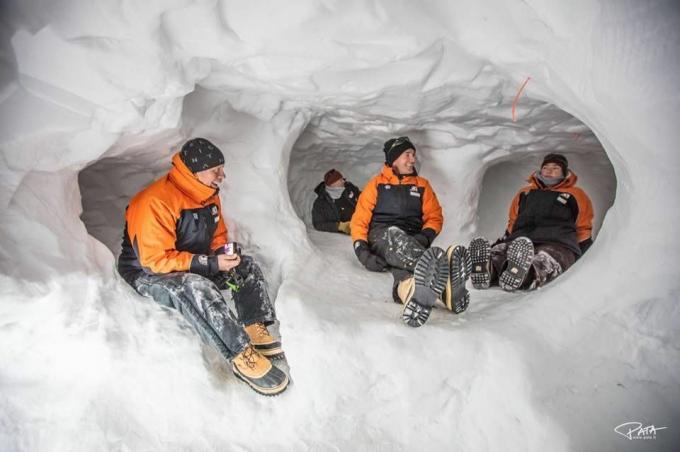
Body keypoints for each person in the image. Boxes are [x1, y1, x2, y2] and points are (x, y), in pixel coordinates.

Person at [117, 137, 289, 396]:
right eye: (215, 170)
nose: (222, 175)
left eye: (221, 168)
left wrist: (222, 253)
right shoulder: (155, 201)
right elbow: (154, 261)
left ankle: (255, 325)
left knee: (245, 267)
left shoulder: (207, 195)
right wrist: (209, 263)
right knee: (196, 287)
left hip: (190, 261)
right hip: (148, 272)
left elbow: (217, 235)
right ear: (194, 172)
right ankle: (241, 354)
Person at [350, 136, 470, 327]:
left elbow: (434, 216)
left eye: (413, 155)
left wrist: (425, 237)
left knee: (405, 271)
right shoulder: (376, 185)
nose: (412, 159)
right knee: (395, 235)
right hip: (381, 236)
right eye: (407, 154)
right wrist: (362, 251)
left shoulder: (421, 185)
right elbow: (359, 220)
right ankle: (446, 281)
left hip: (413, 240)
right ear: (394, 159)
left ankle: (410, 290)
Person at [468, 153, 594, 291]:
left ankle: (526, 276)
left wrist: (583, 251)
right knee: (501, 252)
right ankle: (488, 270)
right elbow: (513, 220)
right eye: (546, 167)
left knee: (545, 260)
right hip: (521, 241)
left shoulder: (575, 194)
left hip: (558, 242)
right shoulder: (525, 193)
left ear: (564, 173)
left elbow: (583, 226)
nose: (549, 171)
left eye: (555, 168)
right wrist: (504, 240)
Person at [312, 169, 361, 235]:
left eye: (343, 178)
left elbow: (365, 199)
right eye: (340, 180)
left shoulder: (350, 189)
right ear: (333, 183)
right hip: (343, 237)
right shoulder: (321, 203)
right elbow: (318, 224)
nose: (344, 181)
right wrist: (339, 226)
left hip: (362, 225)